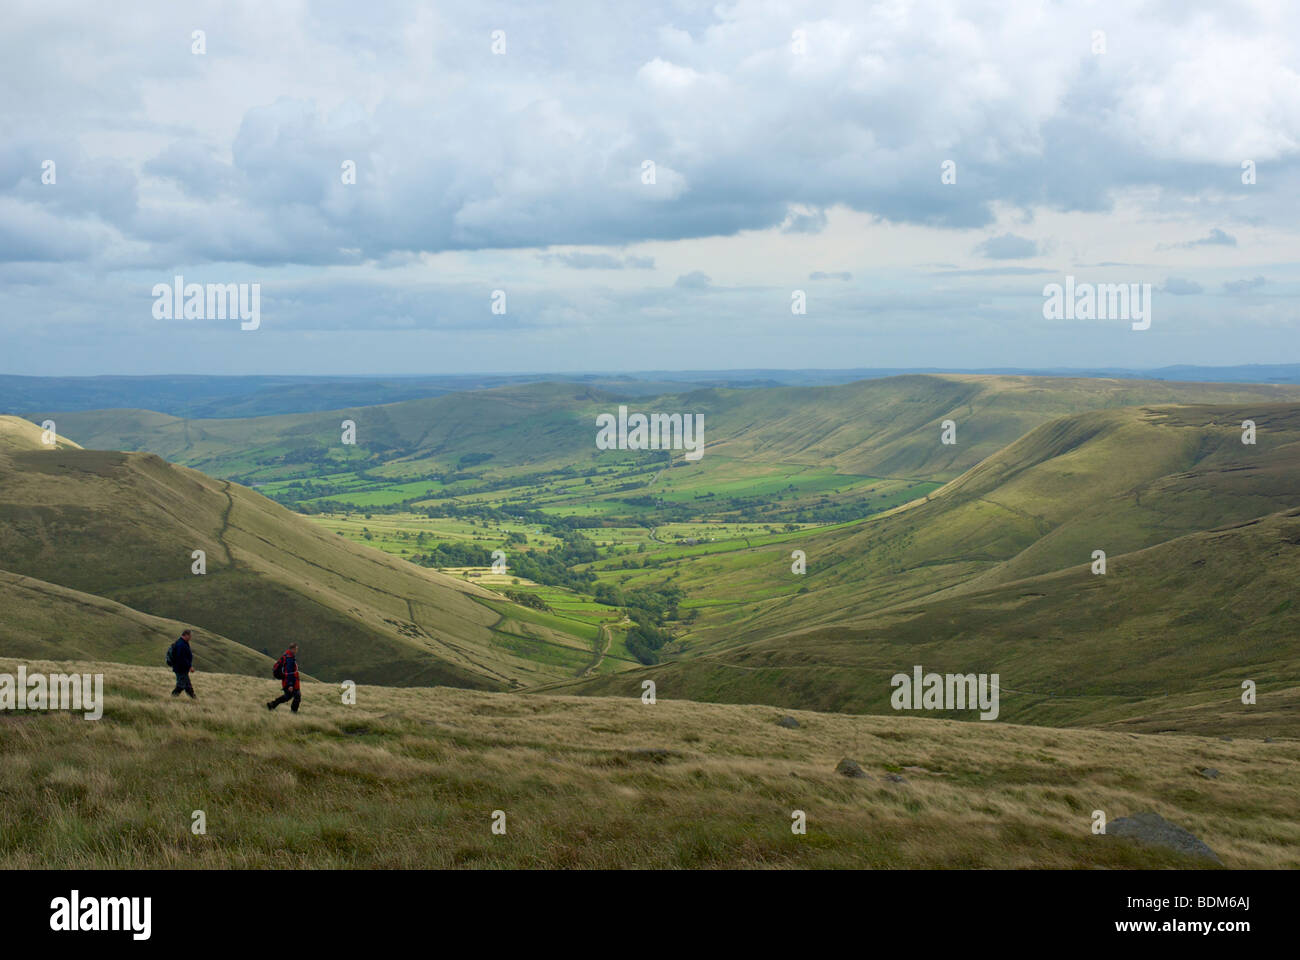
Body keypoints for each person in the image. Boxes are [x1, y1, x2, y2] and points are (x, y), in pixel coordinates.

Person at [267, 642, 301, 713]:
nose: (297, 651)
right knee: (297, 696)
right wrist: (290, 685)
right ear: (292, 649)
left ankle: (272, 704)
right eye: (296, 649)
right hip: (290, 682)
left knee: (287, 697)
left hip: (287, 681)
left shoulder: (287, 655)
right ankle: (293, 713)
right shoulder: (289, 658)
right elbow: (289, 672)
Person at [168, 629, 196, 700]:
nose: (190, 637)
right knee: (181, 686)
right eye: (190, 636)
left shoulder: (183, 642)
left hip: (182, 668)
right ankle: (172, 698)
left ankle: (194, 700)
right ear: (186, 635)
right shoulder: (181, 644)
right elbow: (181, 658)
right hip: (180, 669)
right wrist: (189, 667)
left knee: (188, 686)